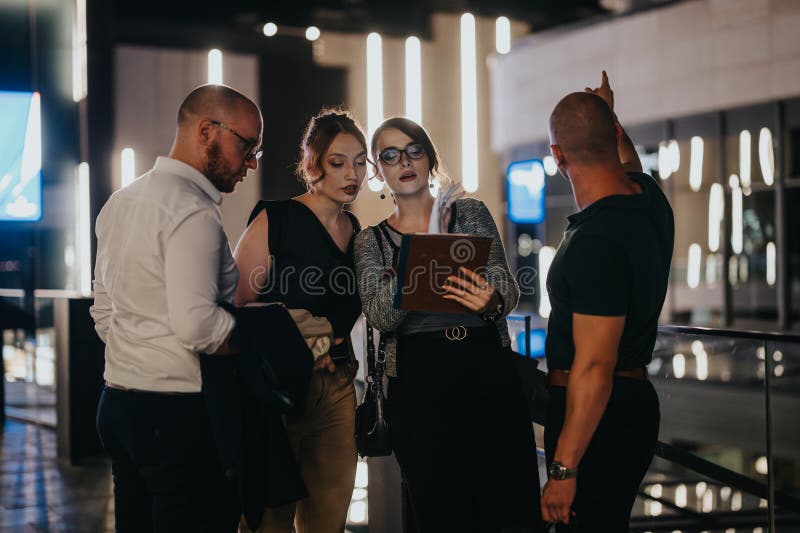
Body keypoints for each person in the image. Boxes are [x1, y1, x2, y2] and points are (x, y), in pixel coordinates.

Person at [354, 117, 544, 532]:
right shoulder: (371, 240)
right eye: (390, 155)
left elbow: (506, 289)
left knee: (511, 505)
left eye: (414, 150)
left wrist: (492, 302)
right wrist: (428, 244)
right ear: (377, 171)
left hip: (487, 370)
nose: (405, 161)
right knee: (442, 512)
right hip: (419, 386)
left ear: (430, 158)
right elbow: (381, 316)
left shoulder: (471, 213)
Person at [90, 84, 263, 532]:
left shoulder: (120, 201)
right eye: (247, 146)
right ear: (206, 131)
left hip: (117, 403)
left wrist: (142, 353)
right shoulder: (192, 211)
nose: (251, 162)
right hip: (178, 415)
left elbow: (104, 312)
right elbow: (198, 326)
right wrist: (266, 336)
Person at [540, 71, 674, 531]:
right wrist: (607, 115)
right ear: (614, 133)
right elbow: (630, 162)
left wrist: (564, 469)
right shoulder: (649, 201)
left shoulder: (595, 241)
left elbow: (596, 366)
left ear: (557, 155)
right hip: (633, 406)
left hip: (598, 417)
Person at [233, 108, 367, 532]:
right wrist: (301, 339)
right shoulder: (276, 219)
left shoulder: (355, 230)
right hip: (277, 388)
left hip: (338, 385)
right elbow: (236, 308)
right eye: (338, 162)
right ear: (312, 164)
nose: (352, 174)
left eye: (360, 162)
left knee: (329, 521)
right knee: (267, 521)